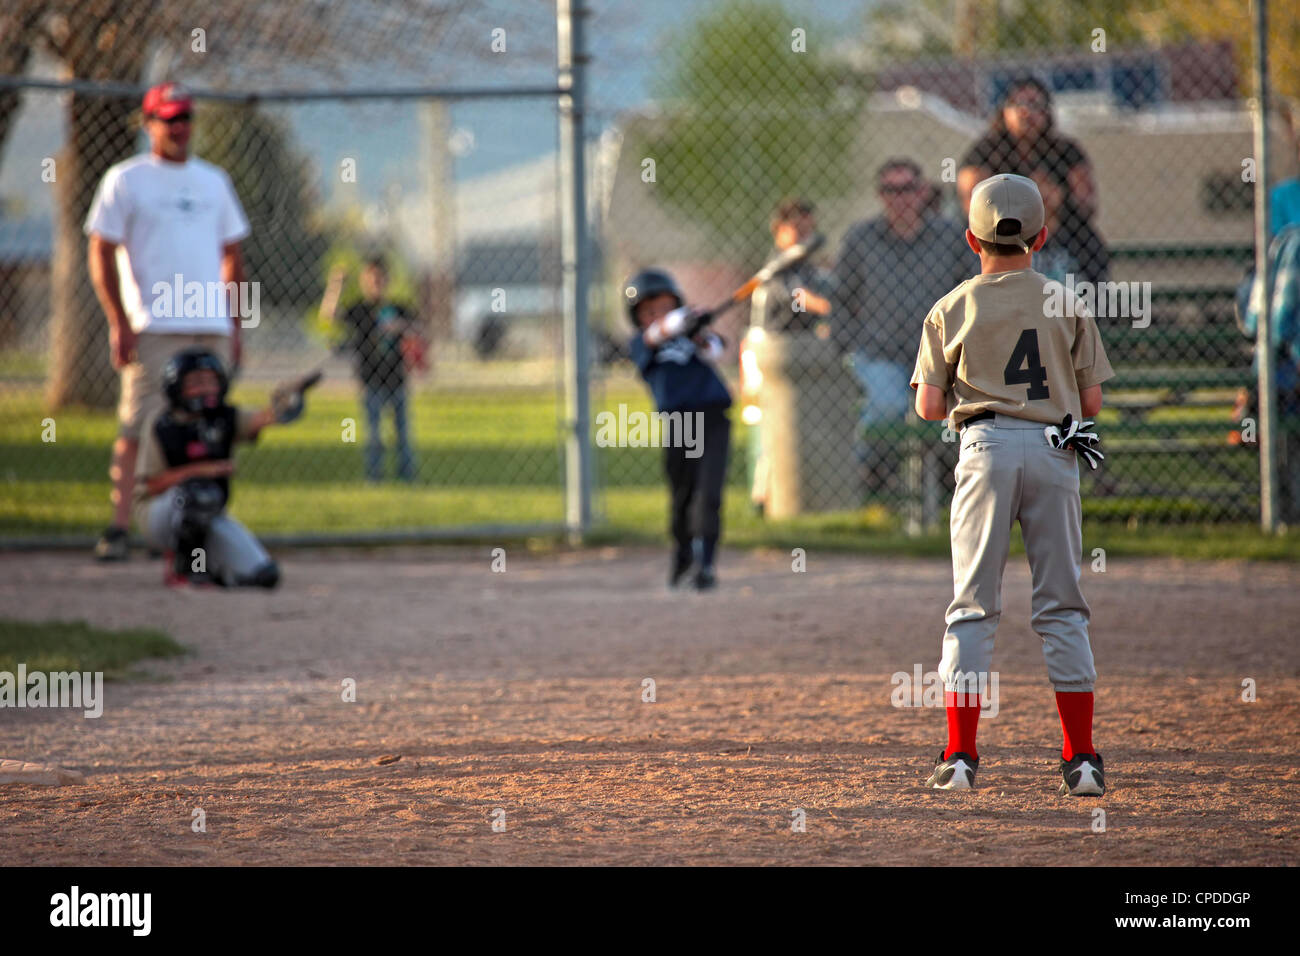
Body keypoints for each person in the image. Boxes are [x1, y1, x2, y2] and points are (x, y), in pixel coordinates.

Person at [910, 174, 1114, 796]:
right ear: (1042, 236)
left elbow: (927, 407)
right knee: (1062, 607)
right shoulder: (1065, 300)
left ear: (972, 239)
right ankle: (1080, 761)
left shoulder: (951, 306)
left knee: (973, 607)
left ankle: (962, 758)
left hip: (984, 449)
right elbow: (1093, 402)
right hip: (1055, 452)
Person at [86, 82, 251, 561]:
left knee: (210, 426)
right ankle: (121, 527)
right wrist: (118, 320)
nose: (180, 128)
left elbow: (233, 258)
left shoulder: (213, 180)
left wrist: (237, 324)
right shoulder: (127, 179)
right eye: (169, 118)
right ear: (148, 124)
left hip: (211, 323)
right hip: (154, 323)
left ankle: (199, 530)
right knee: (139, 423)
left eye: (186, 118)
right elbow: (101, 248)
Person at [833, 158, 972, 490]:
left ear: (923, 191)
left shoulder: (950, 237)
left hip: (941, 356)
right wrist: (852, 342)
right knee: (886, 407)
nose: (900, 198)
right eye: (890, 190)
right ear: (880, 195)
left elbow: (972, 293)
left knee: (958, 411)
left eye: (907, 188)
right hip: (879, 353)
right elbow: (840, 299)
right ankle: (876, 482)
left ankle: (947, 480)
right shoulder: (861, 239)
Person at [134, 347, 303, 589]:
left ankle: (211, 570)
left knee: (264, 575)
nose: (204, 389)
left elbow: (260, 419)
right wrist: (202, 470)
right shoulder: (162, 425)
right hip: (160, 516)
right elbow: (152, 486)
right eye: (195, 382)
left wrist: (285, 403)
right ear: (175, 387)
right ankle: (185, 571)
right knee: (197, 493)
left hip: (208, 517)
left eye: (210, 382)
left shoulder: (224, 417)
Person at [623, 269, 732, 591]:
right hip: (680, 425)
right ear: (639, 318)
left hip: (713, 419)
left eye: (666, 307)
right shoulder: (641, 345)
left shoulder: (693, 337)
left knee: (708, 494)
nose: (659, 316)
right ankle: (682, 559)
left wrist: (697, 328)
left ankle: (705, 564)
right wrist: (676, 322)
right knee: (682, 496)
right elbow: (654, 337)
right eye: (650, 312)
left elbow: (715, 349)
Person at [320, 256, 418, 482]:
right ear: (365, 281)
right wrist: (336, 285)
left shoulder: (397, 308)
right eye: (372, 279)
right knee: (373, 434)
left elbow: (420, 328)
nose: (376, 283)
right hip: (370, 380)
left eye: (380, 278)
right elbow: (329, 316)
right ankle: (375, 477)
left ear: (387, 280)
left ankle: (407, 476)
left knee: (403, 433)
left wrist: (400, 327)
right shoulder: (360, 310)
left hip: (397, 379)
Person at [1240, 223, 1300, 523]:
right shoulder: (1292, 246)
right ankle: (1284, 508)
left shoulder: (1285, 244)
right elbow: (1267, 324)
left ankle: (1284, 507)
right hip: (1284, 376)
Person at [1027, 166, 1109, 287]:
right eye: (1036, 186)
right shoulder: (1018, 236)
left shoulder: (1081, 237)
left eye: (1048, 183)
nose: (1043, 192)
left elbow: (1097, 281)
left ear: (1062, 191)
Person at [761, 197, 832, 333]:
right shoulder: (777, 263)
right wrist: (829, 307)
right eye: (800, 229)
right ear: (780, 228)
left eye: (809, 229)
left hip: (804, 338)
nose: (806, 236)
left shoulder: (804, 263)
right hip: (779, 342)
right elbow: (797, 295)